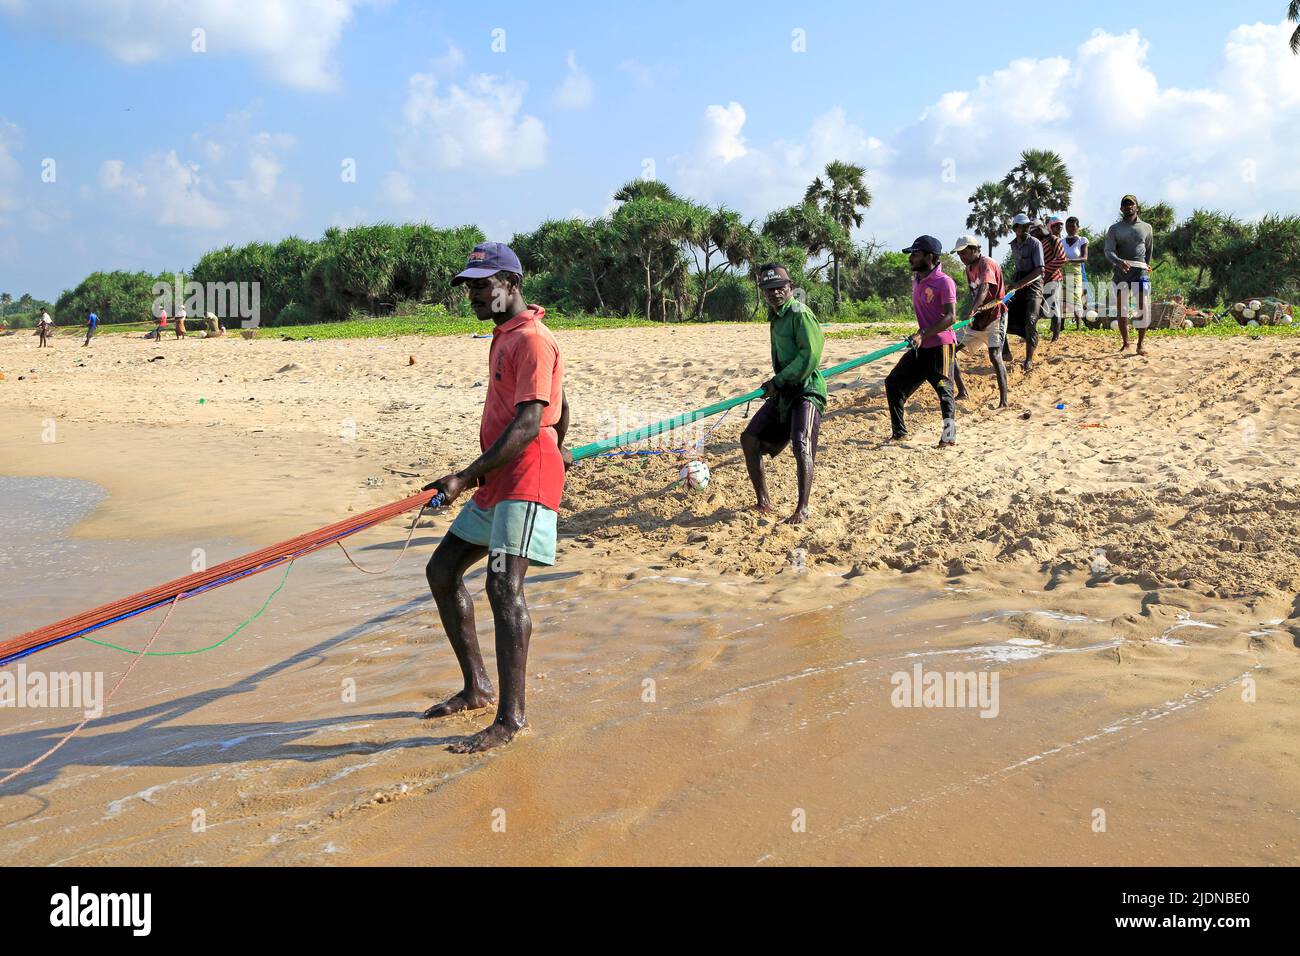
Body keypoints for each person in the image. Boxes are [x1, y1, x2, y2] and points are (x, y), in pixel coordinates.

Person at [421, 242, 571, 754]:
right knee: (442, 571)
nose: (473, 295)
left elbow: (531, 422)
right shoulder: (504, 335)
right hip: (499, 478)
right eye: (469, 287)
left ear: (511, 282)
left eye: (482, 286)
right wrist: (564, 439)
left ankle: (511, 720)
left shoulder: (531, 339)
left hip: (527, 479)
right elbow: (562, 402)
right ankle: (478, 687)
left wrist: (463, 476)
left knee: (503, 586)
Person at [740, 264, 827, 525]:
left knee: (801, 444)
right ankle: (763, 502)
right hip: (784, 392)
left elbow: (810, 355)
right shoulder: (776, 317)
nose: (774, 294)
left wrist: (779, 380)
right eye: (768, 290)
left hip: (807, 390)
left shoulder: (800, 313)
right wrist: (776, 385)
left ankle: (803, 508)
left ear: (790, 287)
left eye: (779, 288)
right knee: (749, 438)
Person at [886, 236, 958, 447]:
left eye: (915, 254)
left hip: (941, 345)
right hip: (922, 345)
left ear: (930, 256)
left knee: (945, 391)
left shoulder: (944, 282)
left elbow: (950, 317)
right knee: (893, 383)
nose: (911, 258)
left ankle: (949, 437)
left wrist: (922, 334)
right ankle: (899, 433)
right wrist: (919, 335)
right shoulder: (916, 280)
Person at [950, 235, 1009, 410]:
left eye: (964, 253)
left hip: (994, 316)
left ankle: (1004, 401)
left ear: (975, 249)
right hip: (977, 320)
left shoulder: (986, 263)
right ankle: (962, 391)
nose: (962, 257)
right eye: (959, 255)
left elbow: (984, 288)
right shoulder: (968, 269)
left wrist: (973, 310)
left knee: (995, 356)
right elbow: (974, 293)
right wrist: (971, 314)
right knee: (949, 349)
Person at [1105, 194, 1154, 355]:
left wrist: (1146, 265)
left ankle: (1141, 344)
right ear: (1121, 209)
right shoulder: (1115, 229)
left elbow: (1148, 250)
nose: (1128, 207)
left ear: (1137, 207)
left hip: (1140, 272)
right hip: (1121, 273)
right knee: (1122, 309)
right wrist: (1119, 262)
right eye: (1125, 205)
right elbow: (1109, 251)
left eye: (1131, 204)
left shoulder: (1147, 228)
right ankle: (1126, 343)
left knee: (1143, 307)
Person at [1005, 214, 1044, 371]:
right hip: (1019, 281)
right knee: (1003, 314)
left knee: (1031, 318)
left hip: (1034, 283)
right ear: (1015, 229)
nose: (1026, 229)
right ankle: (1006, 350)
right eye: (1022, 226)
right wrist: (1015, 283)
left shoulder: (1035, 243)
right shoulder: (1013, 245)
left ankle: (1028, 360)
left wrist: (1021, 283)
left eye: (1028, 226)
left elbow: (1040, 270)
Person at [1038, 217, 1067, 341]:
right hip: (1042, 279)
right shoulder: (1043, 241)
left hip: (1053, 278)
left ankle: (1056, 336)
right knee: (1039, 306)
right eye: (1056, 226)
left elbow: (1062, 259)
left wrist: (1045, 270)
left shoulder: (1054, 240)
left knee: (1053, 306)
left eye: (1060, 226)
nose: (1059, 228)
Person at [1062, 216, 1089, 329]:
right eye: (1068, 226)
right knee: (1063, 298)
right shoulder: (1061, 241)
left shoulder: (1082, 240)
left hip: (1076, 273)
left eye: (1073, 226)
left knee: (1076, 298)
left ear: (1078, 228)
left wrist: (1069, 260)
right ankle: (1061, 326)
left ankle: (1078, 326)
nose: (1070, 229)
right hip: (1063, 273)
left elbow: (1084, 258)